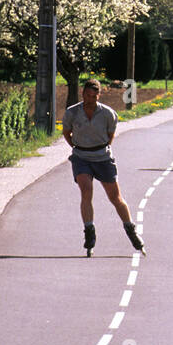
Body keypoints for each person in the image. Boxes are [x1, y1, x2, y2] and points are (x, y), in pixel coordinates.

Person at [62, 78, 145, 255]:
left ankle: (131, 230)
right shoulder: (72, 112)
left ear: (99, 96)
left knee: (115, 197)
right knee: (86, 190)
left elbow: (110, 136)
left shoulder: (108, 114)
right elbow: (66, 132)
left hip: (102, 157)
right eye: (87, 95)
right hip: (81, 157)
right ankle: (89, 231)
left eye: (94, 96)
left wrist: (99, 148)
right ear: (83, 94)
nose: (90, 99)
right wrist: (77, 147)